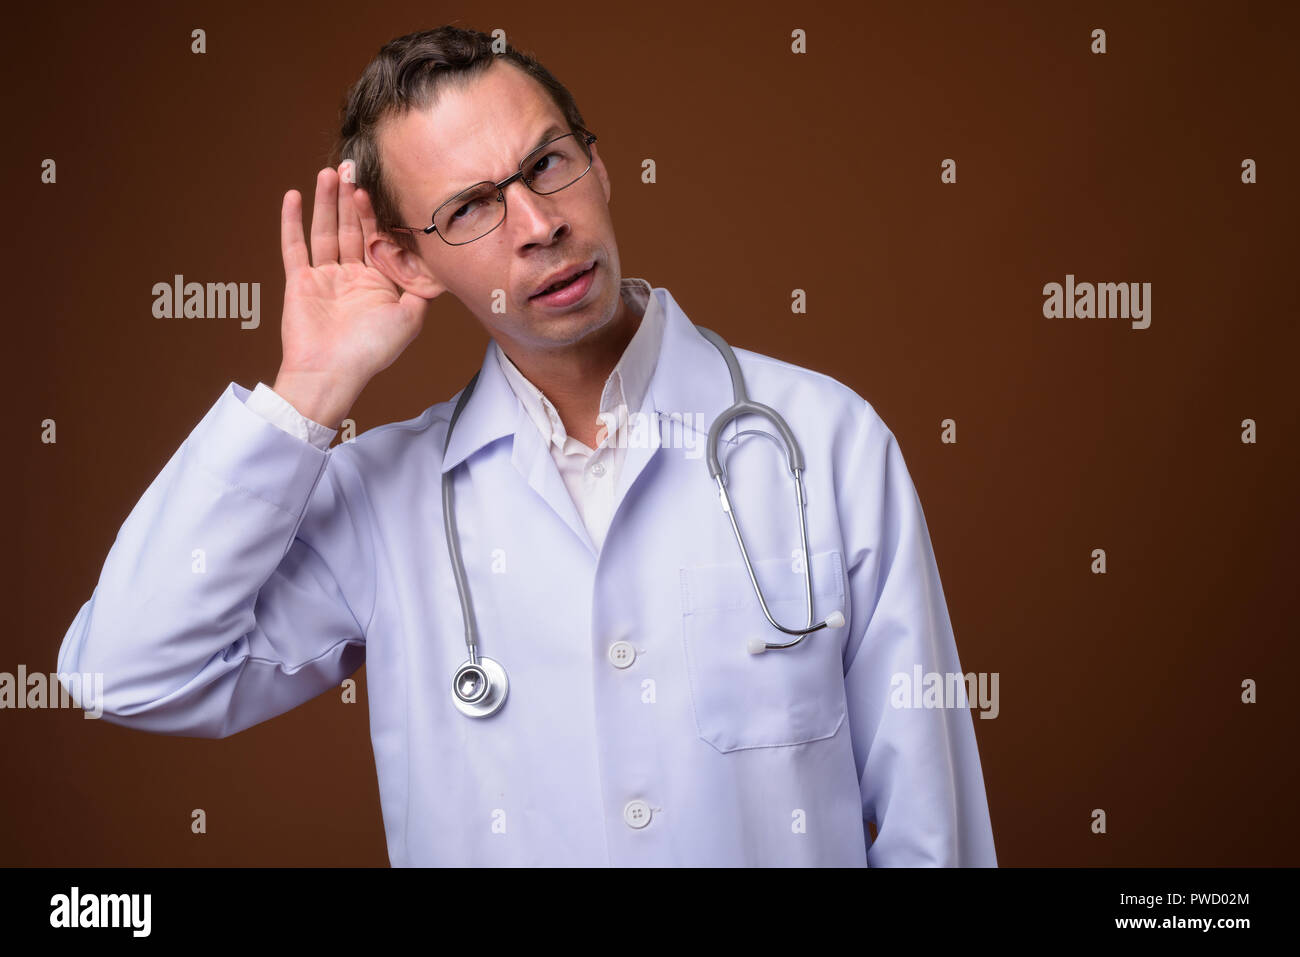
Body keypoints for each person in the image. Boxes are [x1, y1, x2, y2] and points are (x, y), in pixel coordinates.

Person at [56, 26, 997, 867]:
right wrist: (309, 389)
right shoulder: (386, 501)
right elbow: (126, 670)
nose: (541, 224)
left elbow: (933, 828)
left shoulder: (827, 441)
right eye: (469, 208)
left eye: (548, 164)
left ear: (600, 162)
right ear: (406, 260)